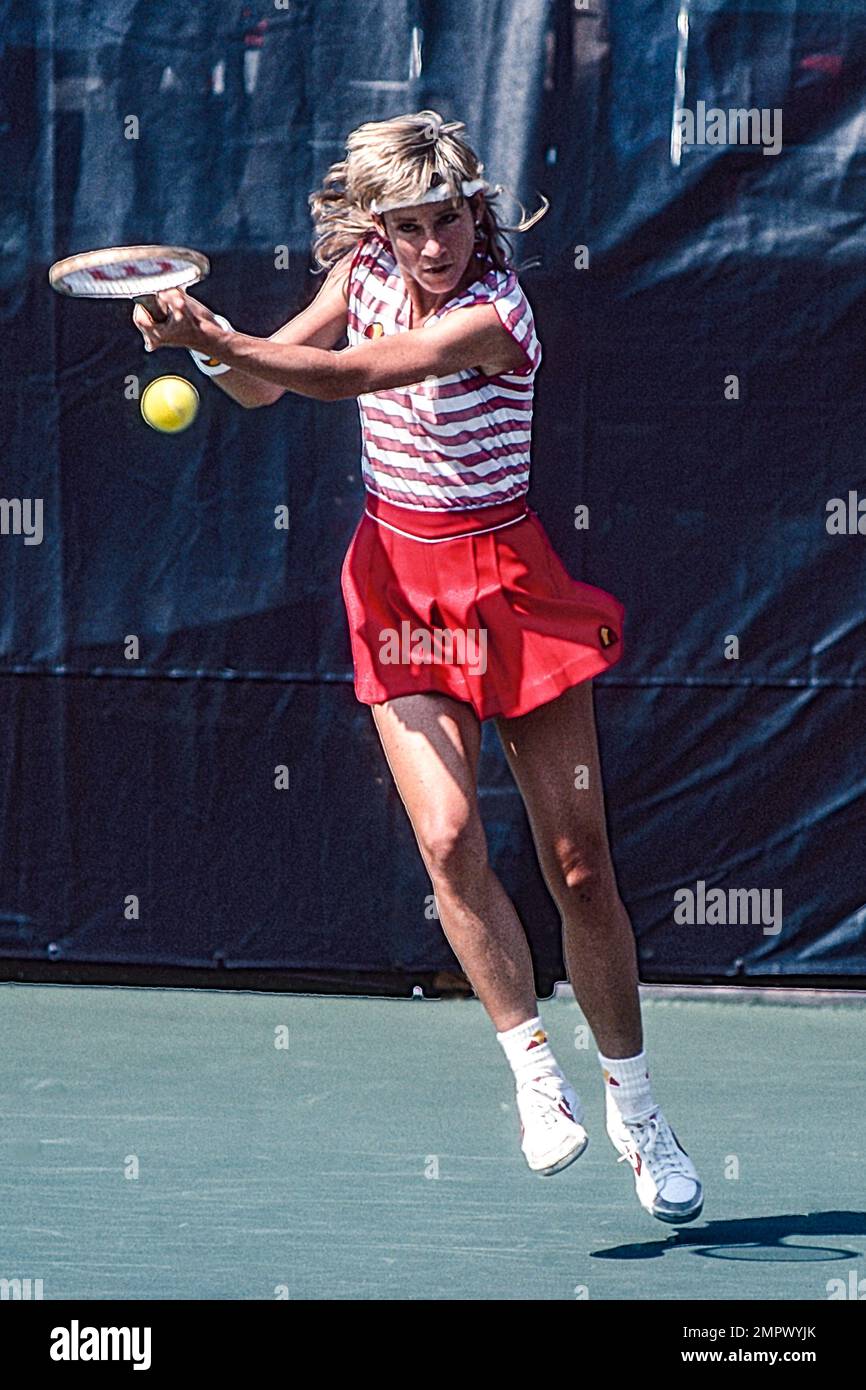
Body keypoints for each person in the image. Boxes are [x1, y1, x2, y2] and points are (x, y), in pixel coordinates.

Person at [133, 109, 703, 1224]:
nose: (434, 243)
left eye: (450, 219)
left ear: (474, 214)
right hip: (397, 581)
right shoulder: (360, 273)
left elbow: (347, 380)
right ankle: (535, 1075)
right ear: (377, 227)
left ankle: (636, 1107)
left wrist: (230, 340)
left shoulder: (497, 311)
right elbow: (258, 386)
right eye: (410, 225)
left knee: (577, 861)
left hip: (510, 585)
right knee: (445, 838)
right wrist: (207, 340)